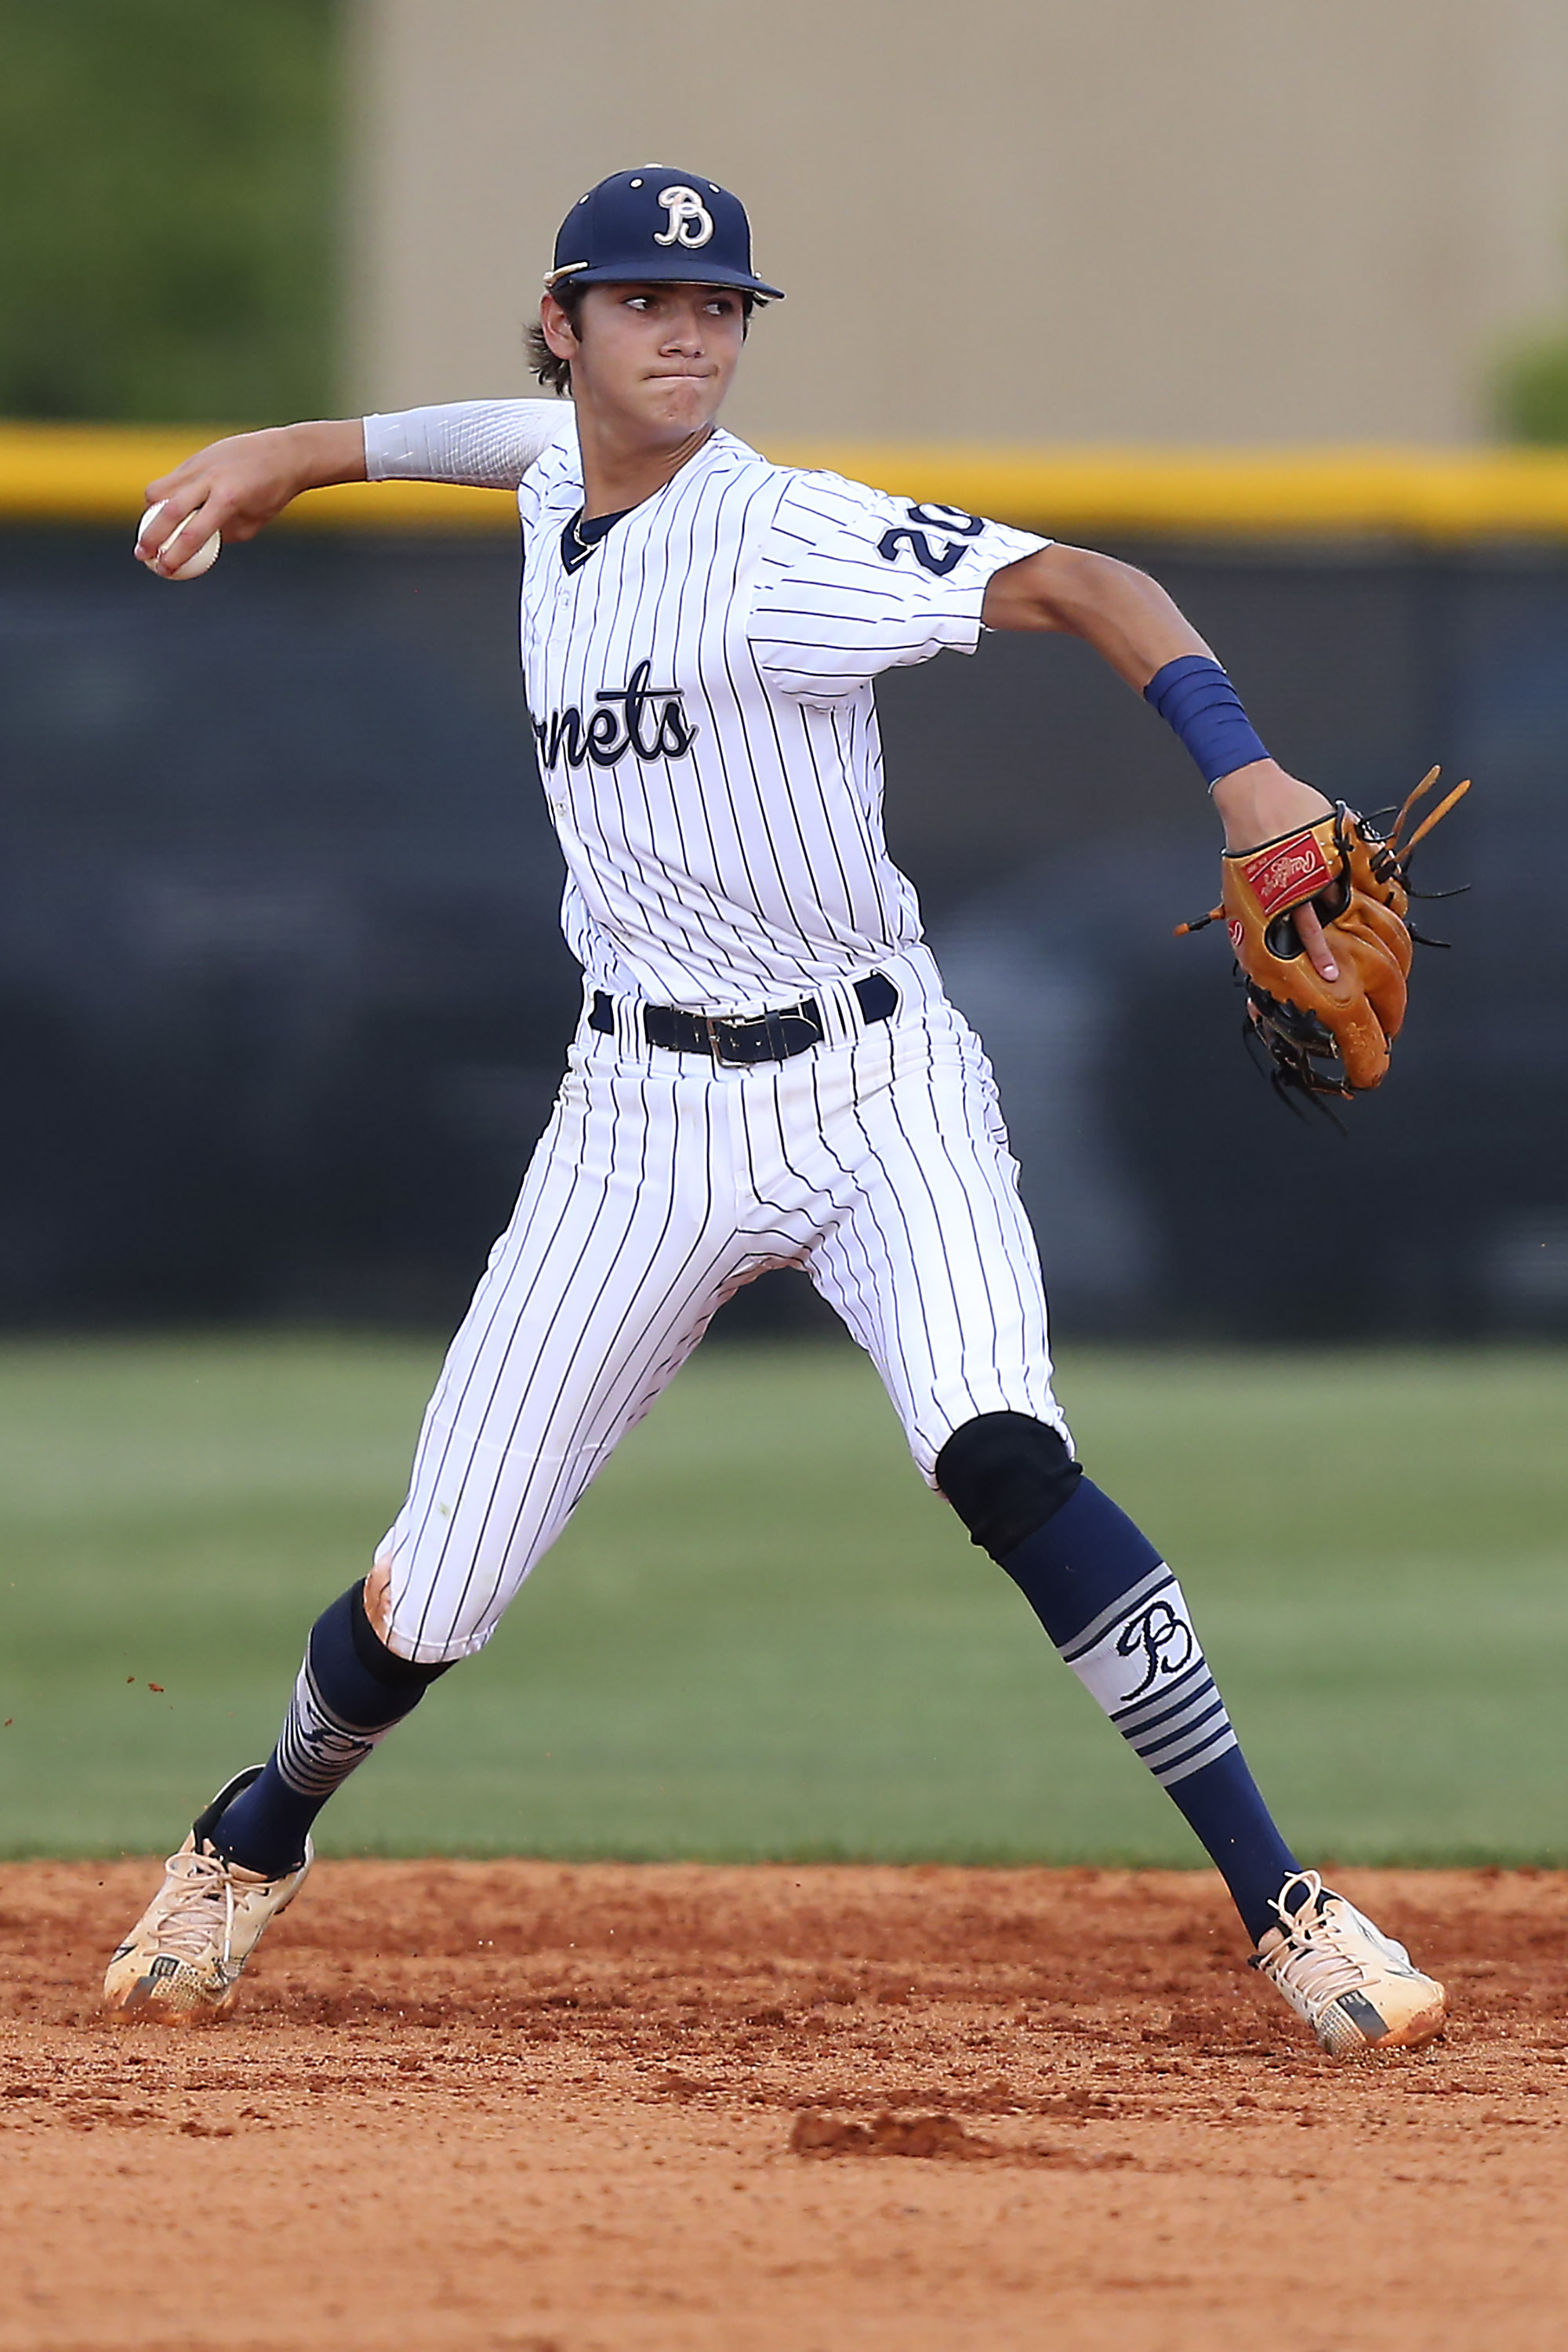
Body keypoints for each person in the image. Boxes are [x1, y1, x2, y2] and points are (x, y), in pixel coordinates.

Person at [108, 168, 1443, 2056]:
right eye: (648, 298)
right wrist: (285, 450)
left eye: (721, 304)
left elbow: (1089, 583)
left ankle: (1285, 1904)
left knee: (999, 1452)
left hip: (873, 1078)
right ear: (566, 325)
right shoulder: (556, 466)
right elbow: (457, 439)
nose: (690, 330)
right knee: (434, 1589)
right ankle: (254, 1832)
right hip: (633, 1115)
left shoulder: (787, 539)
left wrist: (1243, 774)